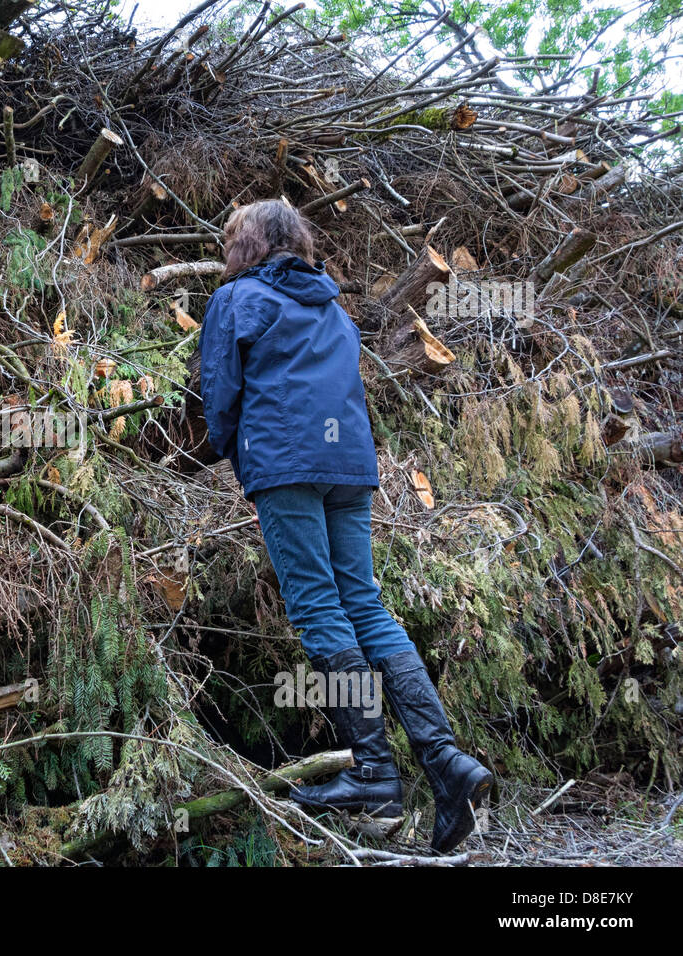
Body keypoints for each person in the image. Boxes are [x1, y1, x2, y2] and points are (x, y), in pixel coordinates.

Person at [198, 199, 493, 854]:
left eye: (230, 238)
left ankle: (376, 771)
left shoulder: (237, 300)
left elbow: (219, 395)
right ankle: (445, 763)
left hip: (287, 460)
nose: (225, 249)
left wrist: (229, 447)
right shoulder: (331, 306)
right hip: (350, 464)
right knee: (364, 603)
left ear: (250, 243)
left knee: (317, 608)